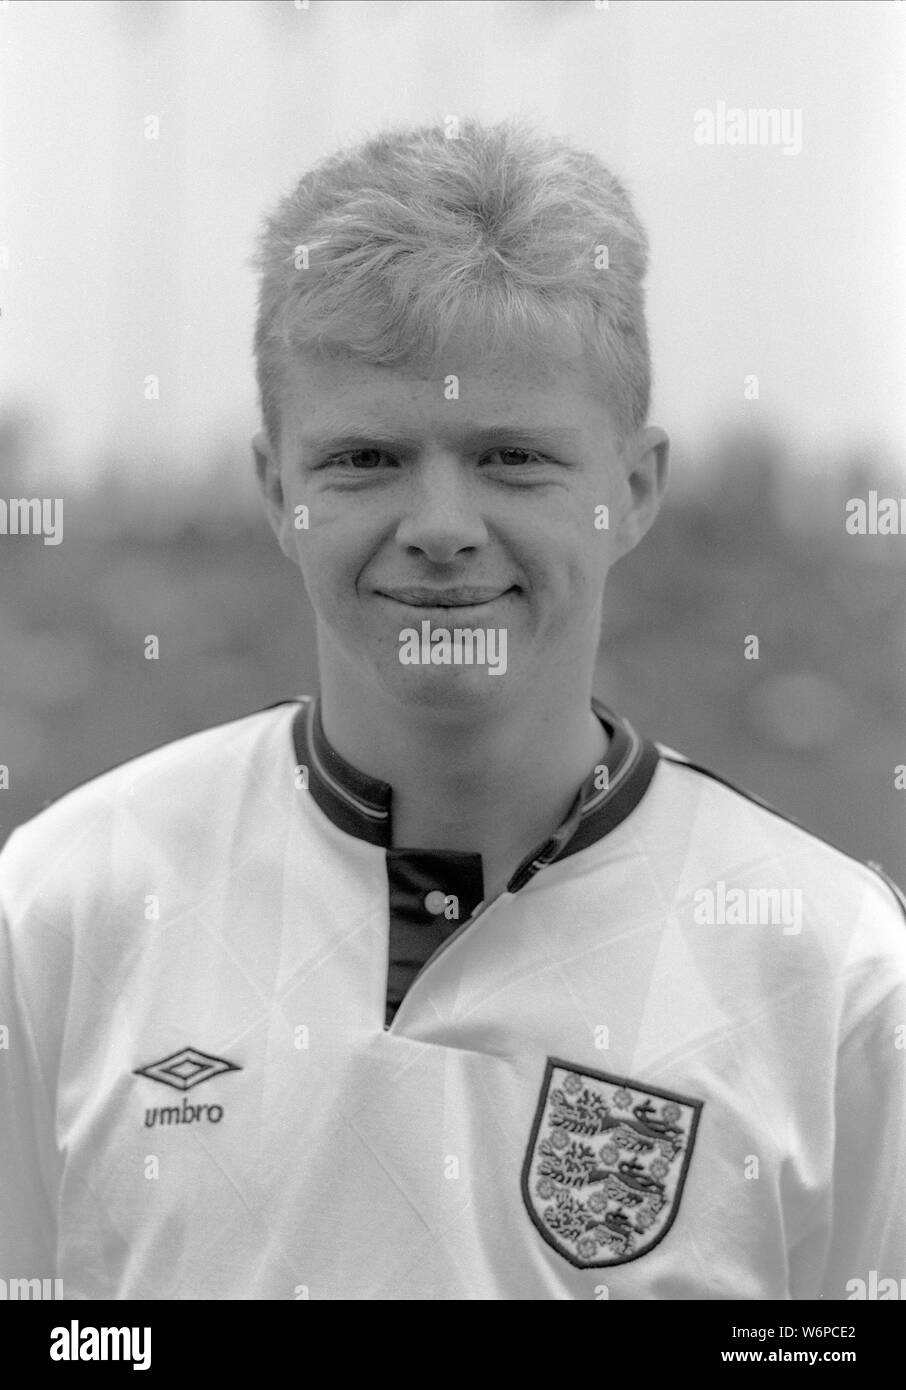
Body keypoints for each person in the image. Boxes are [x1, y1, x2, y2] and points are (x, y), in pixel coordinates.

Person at [1, 117, 903, 1300]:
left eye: (514, 457)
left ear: (633, 490)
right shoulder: (66, 906)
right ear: (277, 491)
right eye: (366, 459)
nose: (440, 525)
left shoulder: (833, 970)